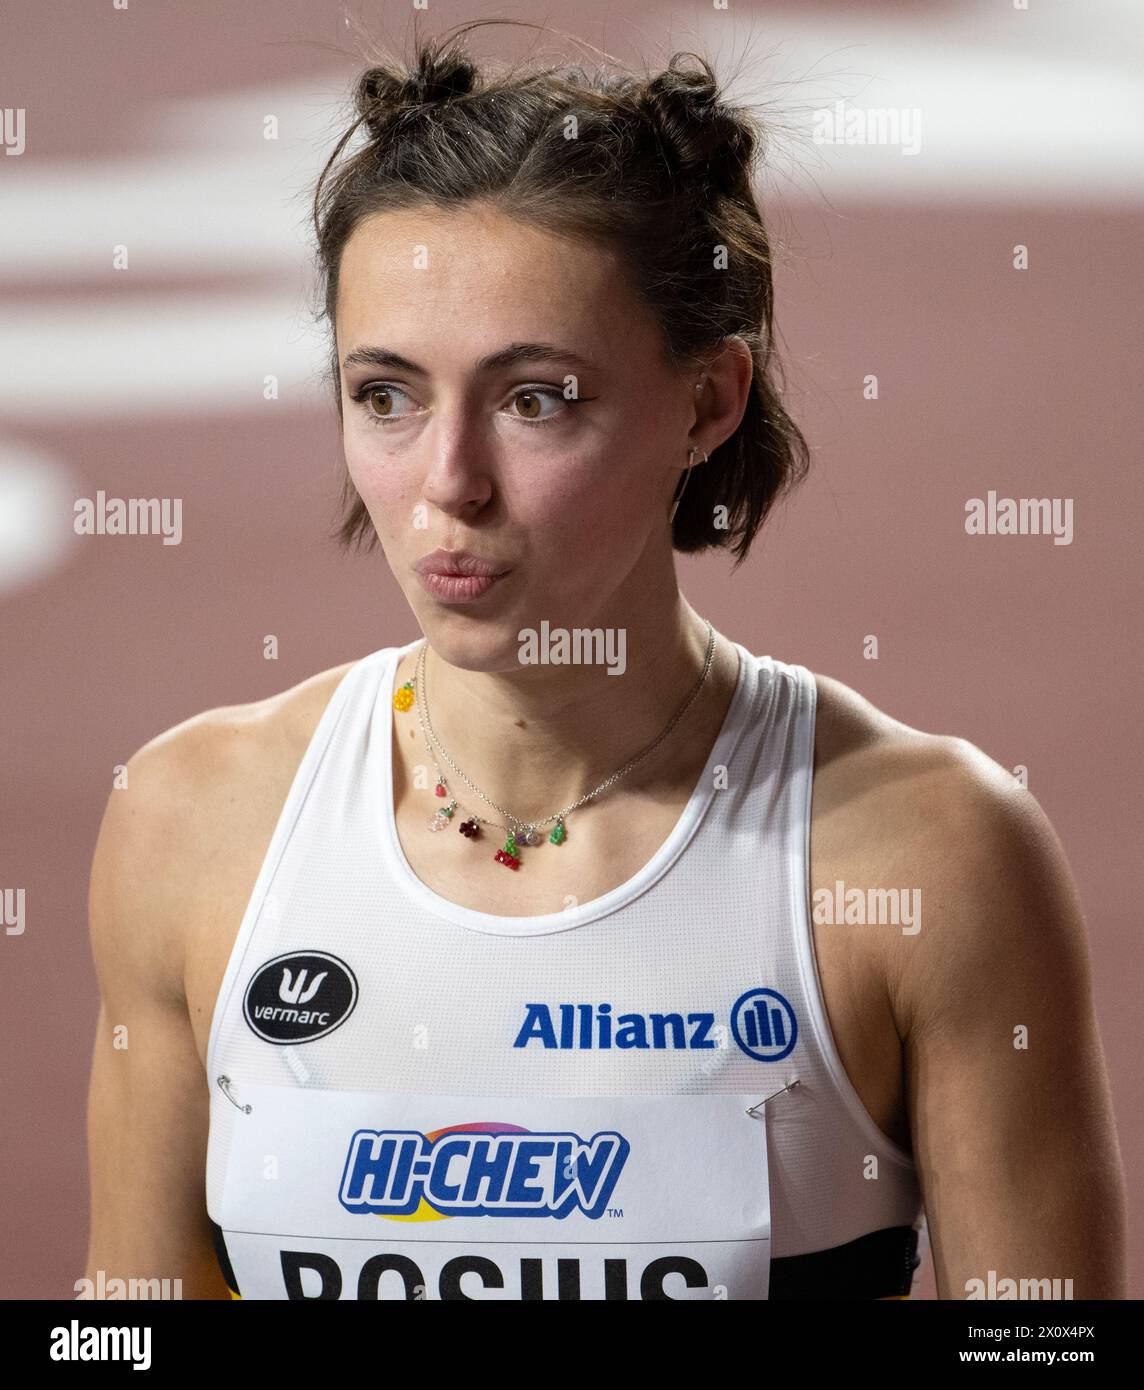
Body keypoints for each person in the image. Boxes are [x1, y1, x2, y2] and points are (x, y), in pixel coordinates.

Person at [82, 21, 1125, 1301]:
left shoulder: (927, 854)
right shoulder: (195, 821)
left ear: (708, 401)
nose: (447, 486)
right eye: (387, 395)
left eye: (537, 399)